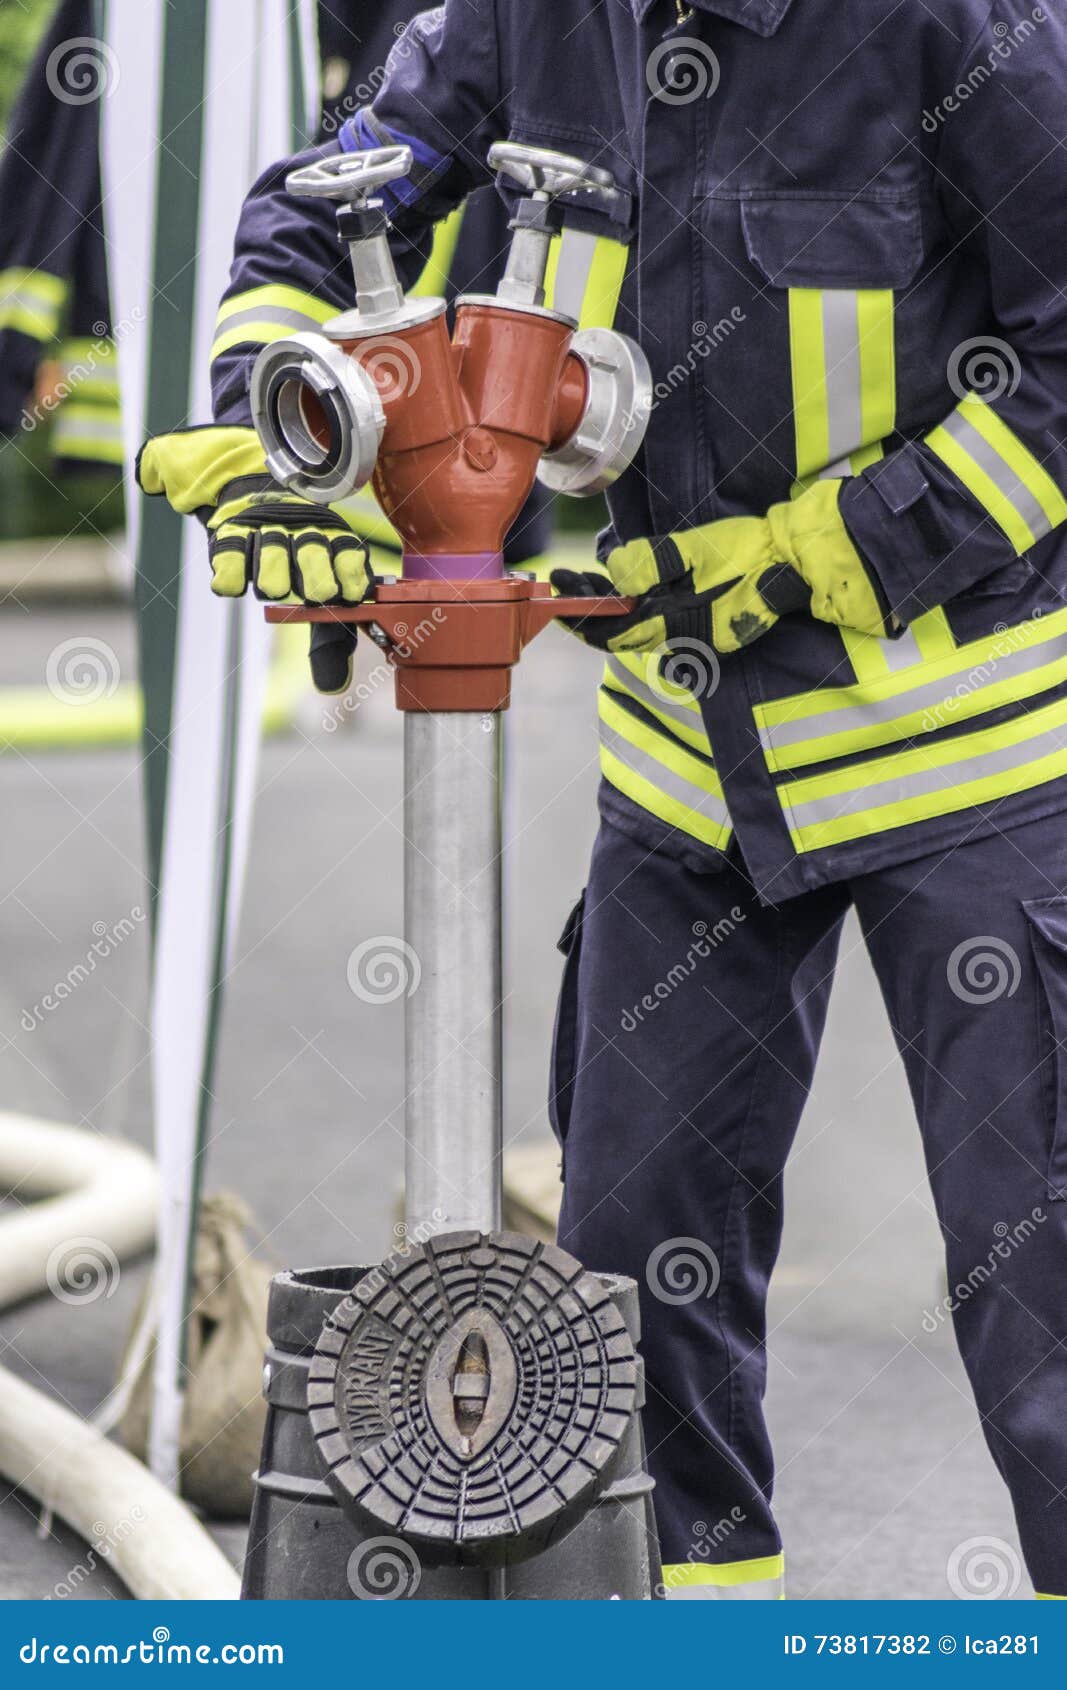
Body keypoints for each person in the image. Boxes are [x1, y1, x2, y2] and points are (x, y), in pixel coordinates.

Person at [140, 0, 1067, 1600]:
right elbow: (321, 202)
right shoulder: (524, 17)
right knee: (634, 1308)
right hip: (688, 761)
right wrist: (273, 413)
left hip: (967, 753)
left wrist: (838, 546)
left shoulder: (958, 27)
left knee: (1039, 1305)